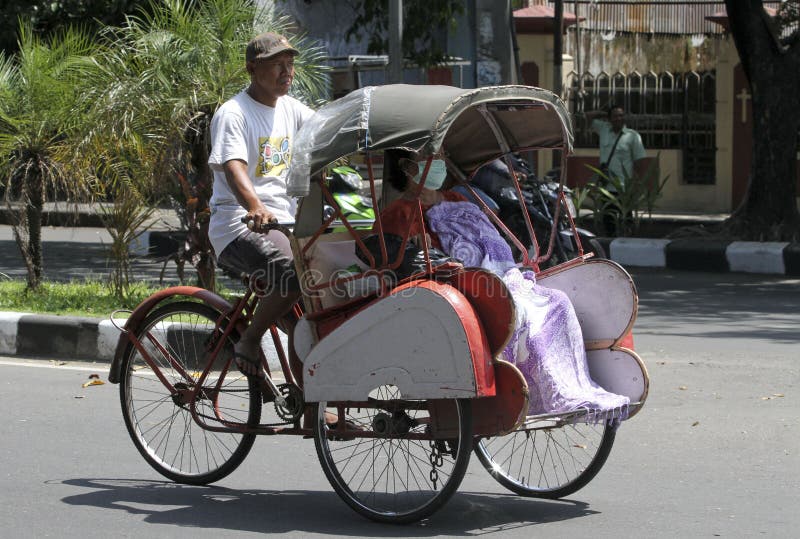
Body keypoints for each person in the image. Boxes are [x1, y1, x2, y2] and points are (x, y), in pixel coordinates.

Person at [378, 152, 630, 419]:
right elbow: (398, 258)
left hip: (497, 273)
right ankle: (548, 392)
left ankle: (568, 388)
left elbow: (488, 235)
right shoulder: (397, 213)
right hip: (458, 283)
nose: (438, 164)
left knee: (557, 301)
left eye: (439, 158)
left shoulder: (457, 198)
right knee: (521, 312)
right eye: (429, 159)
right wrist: (417, 248)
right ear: (407, 168)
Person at [207, 32, 313, 380]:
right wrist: (254, 205)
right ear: (253, 68)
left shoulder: (291, 109)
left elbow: (325, 132)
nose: (288, 72)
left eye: (290, 64)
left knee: (317, 309)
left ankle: (312, 399)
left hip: (285, 224)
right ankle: (250, 340)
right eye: (278, 65)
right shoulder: (234, 114)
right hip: (239, 226)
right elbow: (234, 166)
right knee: (292, 271)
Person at [584, 104, 647, 235]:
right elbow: (588, 116)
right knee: (608, 223)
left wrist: (638, 184)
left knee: (626, 222)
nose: (619, 118)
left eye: (621, 115)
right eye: (615, 116)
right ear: (609, 119)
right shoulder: (603, 129)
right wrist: (603, 113)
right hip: (606, 188)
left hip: (624, 189)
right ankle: (609, 247)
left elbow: (639, 162)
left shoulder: (633, 136)